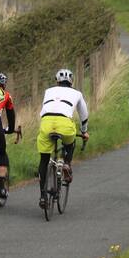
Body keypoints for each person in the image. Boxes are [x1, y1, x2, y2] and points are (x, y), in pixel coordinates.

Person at [36, 68, 89, 207]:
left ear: (57, 81)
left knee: (44, 159)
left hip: (46, 123)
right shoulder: (77, 93)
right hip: (65, 123)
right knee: (70, 142)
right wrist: (84, 131)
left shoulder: (48, 91)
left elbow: (47, 108)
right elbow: (84, 114)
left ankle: (42, 196)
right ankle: (66, 163)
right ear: (72, 81)